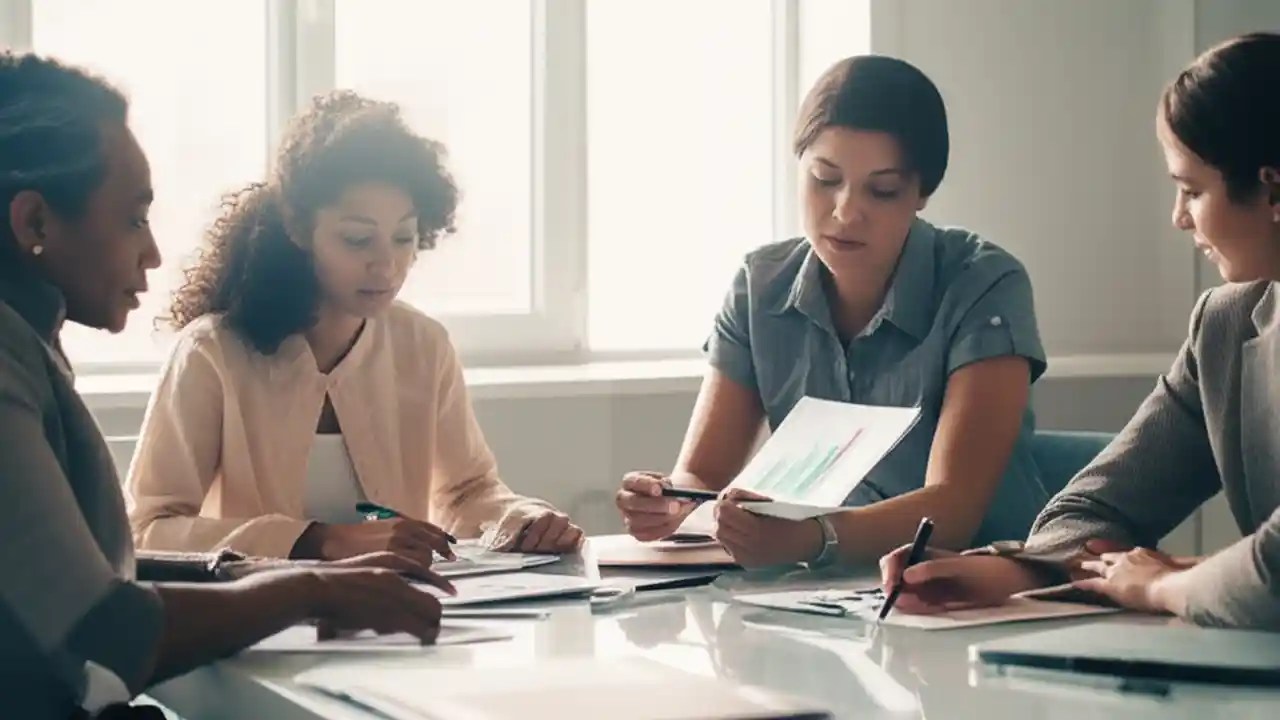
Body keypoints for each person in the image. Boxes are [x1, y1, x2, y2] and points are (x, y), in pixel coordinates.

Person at [0, 52, 453, 719]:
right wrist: (305, 587)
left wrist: (280, 575)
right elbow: (106, 628)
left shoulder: (28, 346)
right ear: (35, 223)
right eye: (133, 218)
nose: (152, 252)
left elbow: (108, 574)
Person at [880, 33, 1280, 631]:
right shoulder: (1223, 328)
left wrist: (1163, 585)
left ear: (1272, 189)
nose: (1178, 217)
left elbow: (1271, 567)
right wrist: (1012, 572)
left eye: (1192, 190)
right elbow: (1094, 504)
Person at [616, 55, 1050, 568]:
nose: (845, 211)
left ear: (922, 193)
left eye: (882, 190)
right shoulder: (759, 286)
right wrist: (669, 500)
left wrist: (812, 538)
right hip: (823, 595)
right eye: (824, 179)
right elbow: (701, 478)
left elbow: (953, 511)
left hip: (983, 585)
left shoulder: (984, 284)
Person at [125, 90, 583, 563]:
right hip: (260, 618)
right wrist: (317, 540)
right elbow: (149, 529)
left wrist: (521, 520)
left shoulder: (424, 345)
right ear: (299, 230)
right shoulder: (212, 352)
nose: (386, 264)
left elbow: (466, 493)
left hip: (402, 611)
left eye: (404, 237)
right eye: (358, 239)